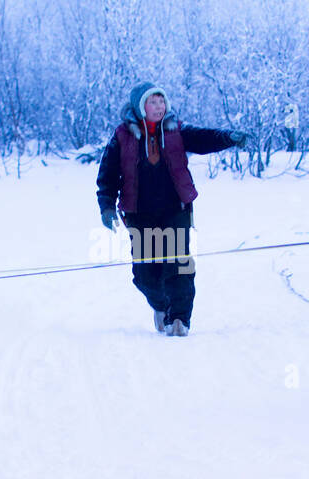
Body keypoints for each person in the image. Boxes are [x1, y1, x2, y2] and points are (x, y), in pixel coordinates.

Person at [95, 83, 246, 336]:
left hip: (175, 209)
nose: (159, 107)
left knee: (178, 264)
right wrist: (106, 206)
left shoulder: (176, 130)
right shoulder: (122, 135)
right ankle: (161, 306)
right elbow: (107, 175)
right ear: (140, 106)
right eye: (152, 102)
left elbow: (204, 138)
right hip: (139, 213)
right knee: (145, 274)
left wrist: (228, 138)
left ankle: (180, 318)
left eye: (161, 101)